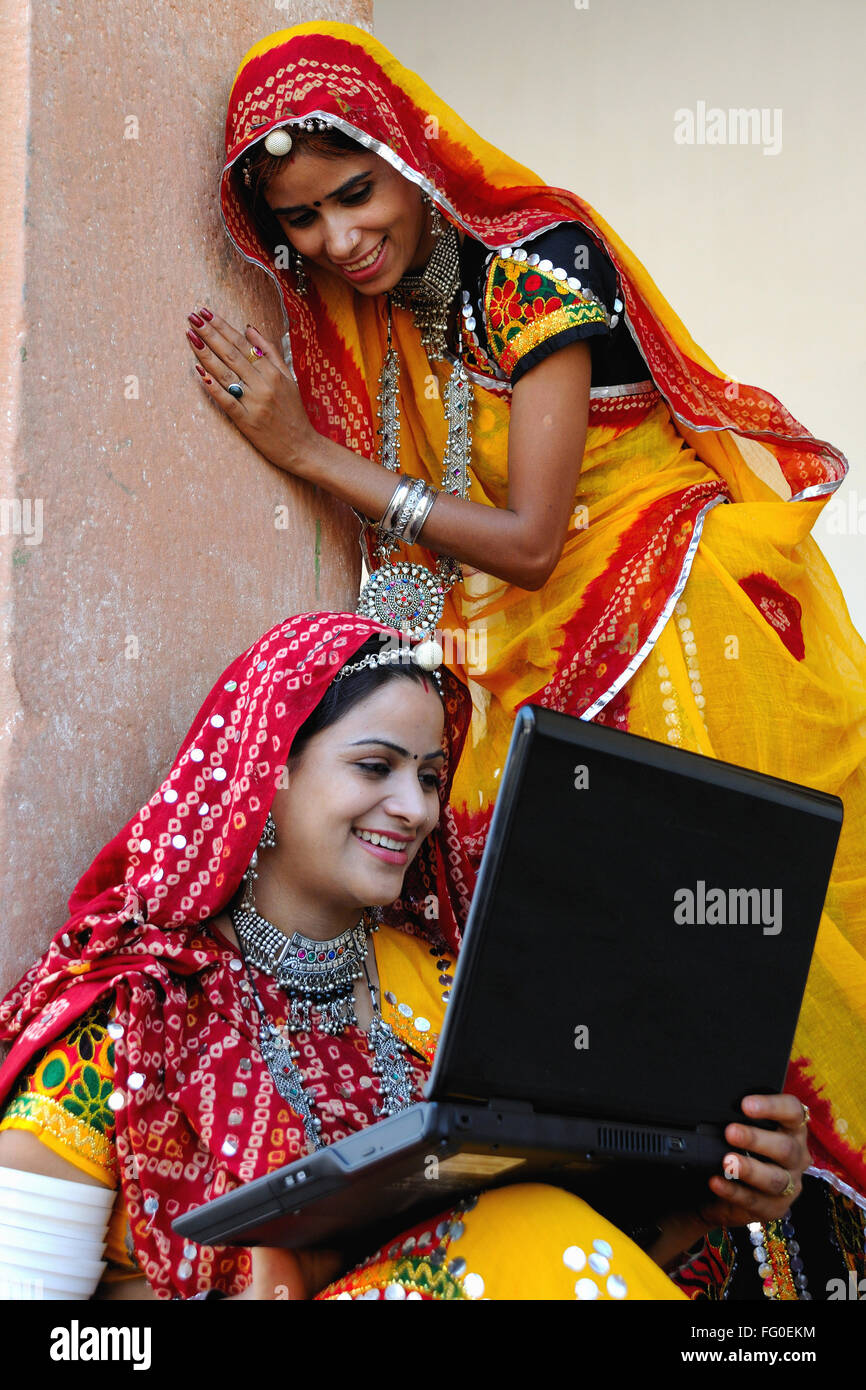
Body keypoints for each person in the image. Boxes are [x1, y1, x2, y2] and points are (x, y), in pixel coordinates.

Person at [180, 22, 866, 1297]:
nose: (340, 239)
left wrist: (303, 451)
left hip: (667, 615)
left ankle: (781, 1254)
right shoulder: (379, 325)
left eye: (354, 193)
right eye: (304, 221)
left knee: (738, 947)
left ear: (412, 157)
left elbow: (535, 540)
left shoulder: (535, 262)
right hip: (537, 653)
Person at [0, 613, 813, 1300]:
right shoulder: (137, 1012)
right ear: (265, 775)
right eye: (375, 767)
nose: (416, 807)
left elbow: (561, 1256)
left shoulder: (457, 985)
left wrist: (700, 1204)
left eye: (429, 776)